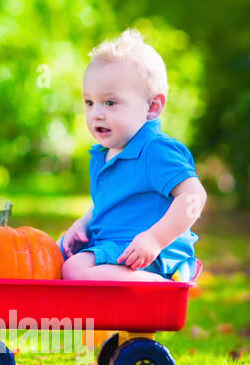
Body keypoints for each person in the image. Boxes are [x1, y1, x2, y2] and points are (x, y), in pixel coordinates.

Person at [58, 29, 207, 283]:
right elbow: (111, 203)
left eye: (110, 102)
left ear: (152, 107)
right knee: (56, 252)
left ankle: (164, 288)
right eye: (89, 102)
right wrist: (82, 223)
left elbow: (194, 196)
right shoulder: (103, 155)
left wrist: (155, 239)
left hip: (146, 251)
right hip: (114, 245)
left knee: (74, 271)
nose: (96, 114)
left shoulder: (155, 151)